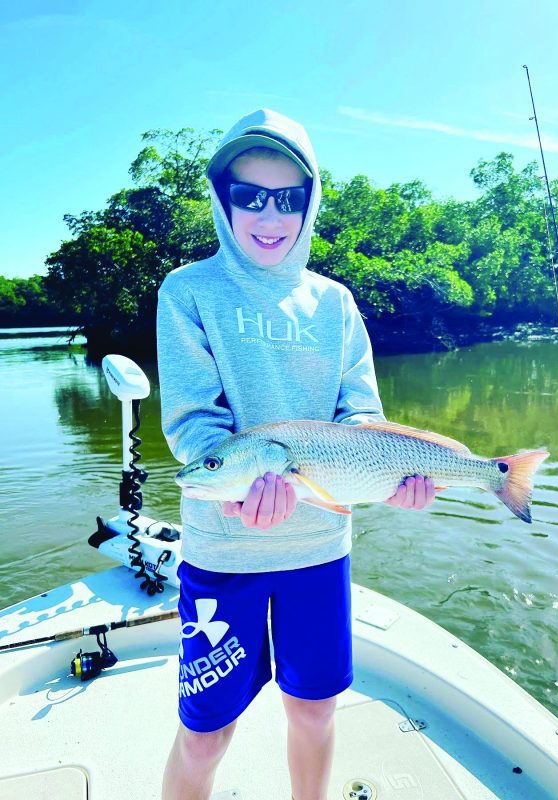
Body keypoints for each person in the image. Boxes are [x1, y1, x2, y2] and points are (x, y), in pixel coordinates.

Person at [157, 108, 435, 800]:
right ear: (224, 201)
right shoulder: (188, 291)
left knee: (314, 710)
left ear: (310, 202)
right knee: (206, 730)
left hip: (320, 549)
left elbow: (360, 415)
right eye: (250, 195)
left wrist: (399, 473)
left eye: (287, 197)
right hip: (224, 554)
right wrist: (230, 477)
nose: (269, 214)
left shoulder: (336, 304)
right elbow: (194, 424)